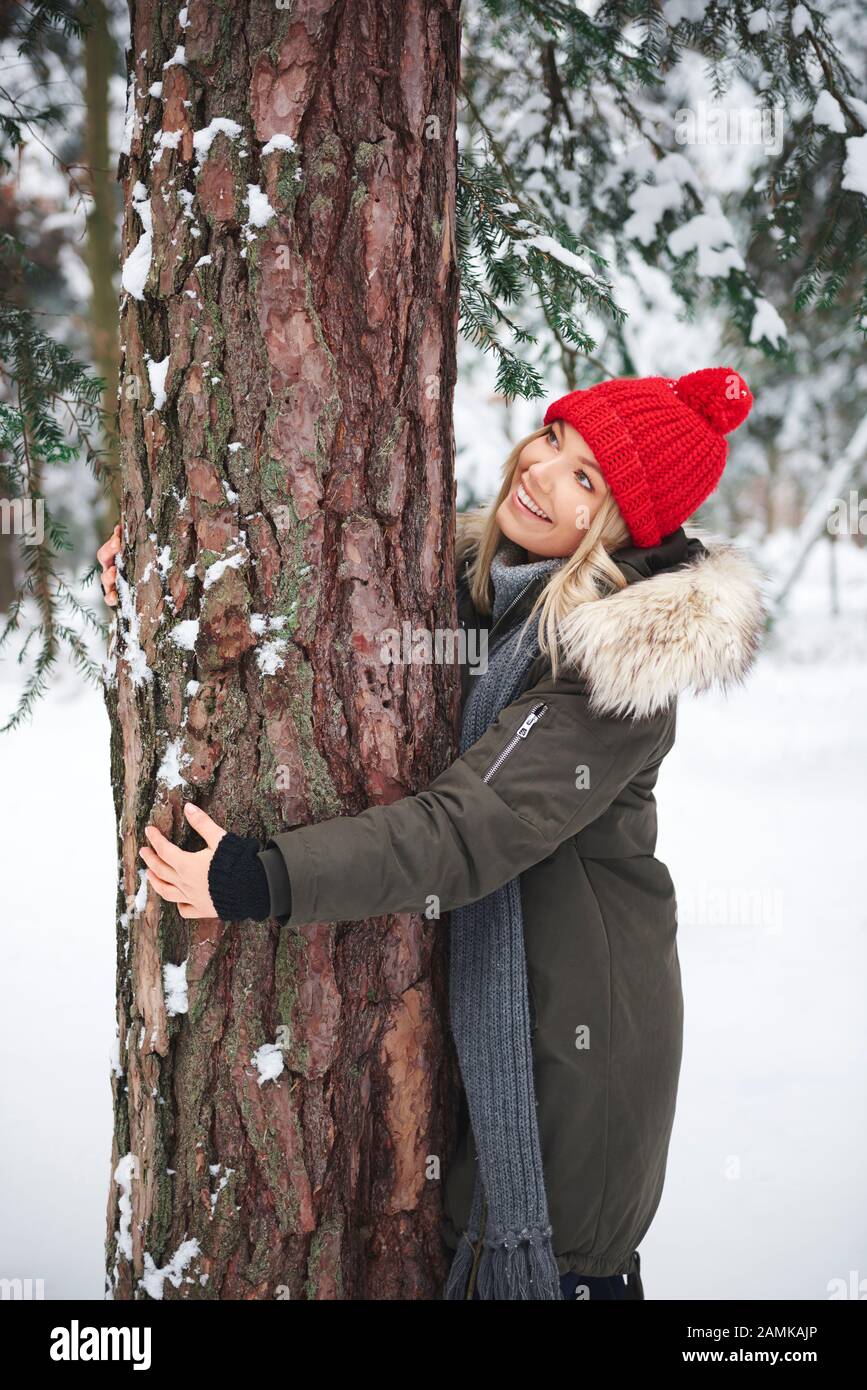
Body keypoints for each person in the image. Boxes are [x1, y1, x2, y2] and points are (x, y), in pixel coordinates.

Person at [97, 366, 768, 1300]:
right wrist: (162, 584)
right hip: (484, 1023)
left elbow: (464, 833)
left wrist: (266, 876)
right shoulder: (470, 588)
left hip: (573, 1062)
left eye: (586, 481)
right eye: (553, 441)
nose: (540, 474)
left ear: (622, 530)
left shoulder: (613, 675)